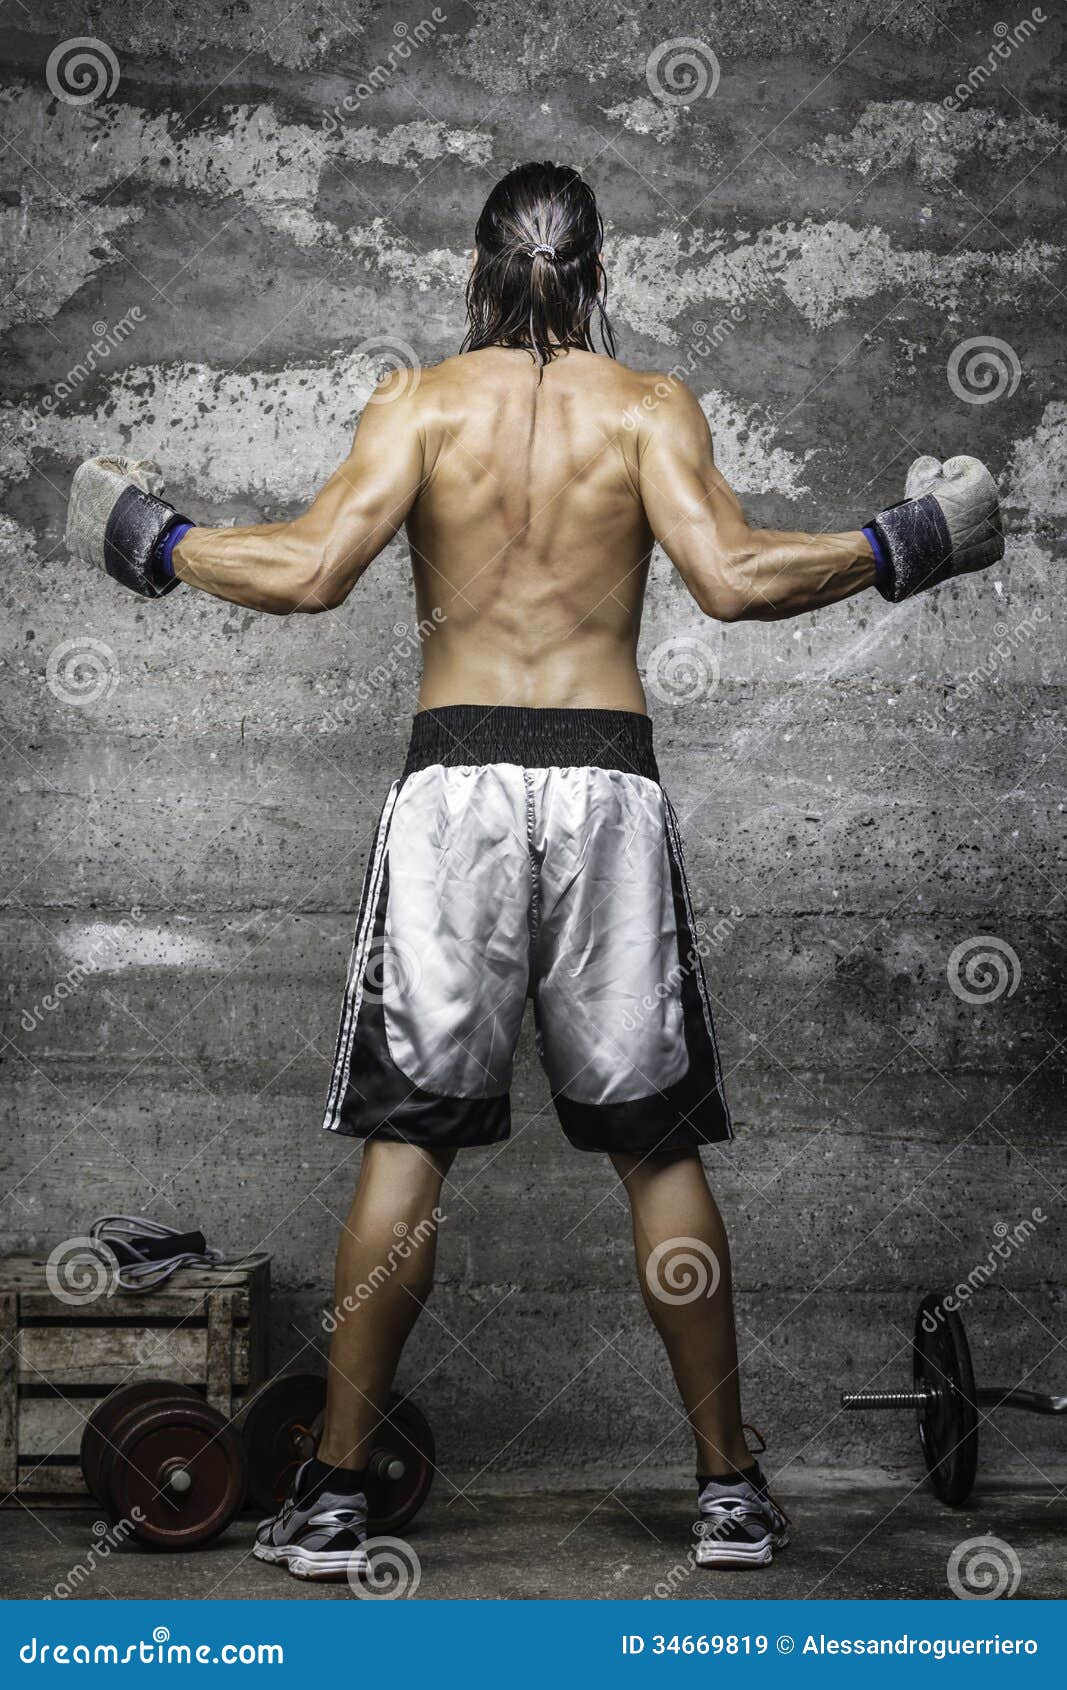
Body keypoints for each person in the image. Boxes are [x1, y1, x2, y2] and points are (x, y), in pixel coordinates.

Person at [65, 161, 1004, 1582]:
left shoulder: (420, 402)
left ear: (481, 264)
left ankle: (327, 1499)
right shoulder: (648, 407)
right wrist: (909, 540)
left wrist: (160, 539)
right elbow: (737, 578)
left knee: (408, 1143)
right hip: (607, 782)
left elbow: (317, 565)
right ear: (599, 267)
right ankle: (732, 1493)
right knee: (654, 1147)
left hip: (453, 792)